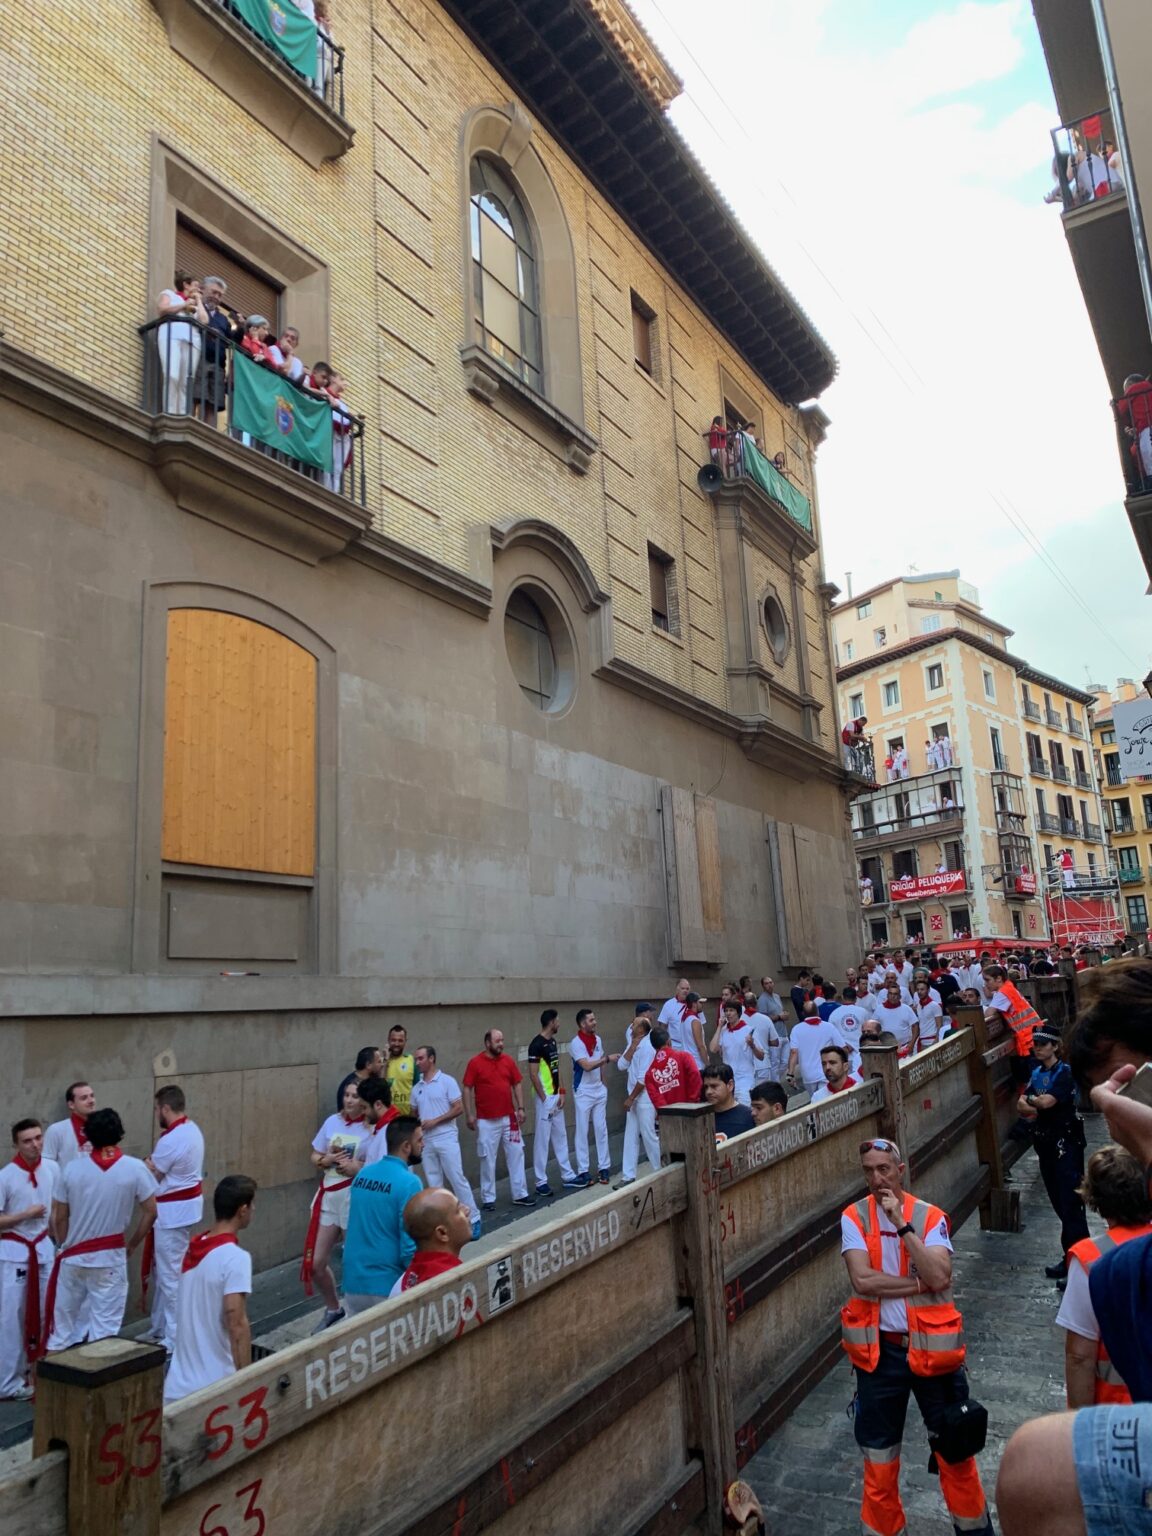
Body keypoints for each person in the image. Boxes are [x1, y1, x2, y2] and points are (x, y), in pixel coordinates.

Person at [842, 1137, 994, 1536]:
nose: (877, 1179)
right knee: (879, 1461)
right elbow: (862, 1279)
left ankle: (974, 1531)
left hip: (933, 1355)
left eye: (884, 1169)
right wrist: (916, 1283)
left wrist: (902, 1225)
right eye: (869, 1171)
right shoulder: (854, 1217)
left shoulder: (927, 1217)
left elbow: (940, 1275)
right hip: (880, 1357)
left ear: (900, 1170)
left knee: (957, 1454)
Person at [43, 1109, 157, 1352]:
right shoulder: (135, 1168)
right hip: (110, 1259)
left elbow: (59, 1216)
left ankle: (50, 1386)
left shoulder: (71, 1169)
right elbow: (151, 1210)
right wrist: (133, 1243)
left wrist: (64, 1245)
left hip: (73, 1258)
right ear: (120, 1133)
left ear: (89, 1137)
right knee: (104, 1334)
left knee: (60, 1331)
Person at [1056, 1145, 1152, 1407]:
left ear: (1095, 1200)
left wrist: (1080, 1427)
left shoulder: (1089, 1259)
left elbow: (1080, 1357)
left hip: (1119, 1417)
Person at [163, 1175, 256, 1403]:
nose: (253, 1210)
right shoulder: (236, 1258)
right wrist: (249, 1382)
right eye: (253, 1205)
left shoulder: (193, 1248)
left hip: (175, 1389)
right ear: (242, 1210)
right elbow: (236, 1323)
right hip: (213, 1391)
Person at [1018, 1028, 1090, 1281]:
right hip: (1046, 1142)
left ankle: (1081, 1262)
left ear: (1055, 1047)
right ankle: (1071, 1256)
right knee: (1058, 1201)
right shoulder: (1037, 1072)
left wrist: (1033, 1101)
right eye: (1035, 1044)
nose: (1037, 1048)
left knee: (1071, 1203)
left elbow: (1046, 1102)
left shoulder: (1064, 1073)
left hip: (1066, 1143)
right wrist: (1035, 1102)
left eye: (1043, 1044)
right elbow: (1021, 1104)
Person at [142, 1085, 205, 1354]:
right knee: (163, 1272)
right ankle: (160, 1327)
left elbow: (152, 1175)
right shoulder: (192, 1129)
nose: (156, 1113)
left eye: (157, 1109)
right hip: (182, 1209)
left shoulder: (170, 1140)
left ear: (165, 1109)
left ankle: (175, 1338)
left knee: (170, 1277)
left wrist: (145, 1164)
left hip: (172, 1214)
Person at [302, 1079, 369, 1332]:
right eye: (347, 1095)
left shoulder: (370, 1128)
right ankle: (333, 1308)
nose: (349, 1100)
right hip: (329, 1196)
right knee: (316, 1262)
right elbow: (314, 1155)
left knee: (353, 1261)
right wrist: (325, 1159)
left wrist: (357, 1167)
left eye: (355, 1096)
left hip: (354, 1196)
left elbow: (376, 1164)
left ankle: (356, 1313)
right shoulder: (332, 1122)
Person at [0, 1118, 59, 1399]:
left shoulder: (53, 1169)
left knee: (47, 1313)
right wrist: (25, 1215)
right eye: (27, 1140)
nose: (35, 1144)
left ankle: (36, 1369)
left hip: (44, 1249)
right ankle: (7, 1381)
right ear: (16, 1144)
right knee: (12, 1317)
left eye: (38, 1138)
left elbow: (58, 1211)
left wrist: (63, 1243)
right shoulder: (6, 1176)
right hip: (14, 1254)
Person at [342, 1116, 424, 1313]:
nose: (424, 1144)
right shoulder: (410, 1182)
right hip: (387, 1285)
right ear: (406, 1146)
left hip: (352, 1283)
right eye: (419, 1140)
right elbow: (409, 1245)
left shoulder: (363, 1174)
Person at [410, 1044, 481, 1240]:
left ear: (431, 1059)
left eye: (421, 1058)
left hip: (446, 1137)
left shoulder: (447, 1081)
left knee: (457, 1178)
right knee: (434, 1184)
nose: (417, 1063)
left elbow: (458, 1108)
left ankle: (474, 1218)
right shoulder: (416, 1089)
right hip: (427, 1141)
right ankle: (441, 1223)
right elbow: (414, 1113)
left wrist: (435, 1121)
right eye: (416, 1059)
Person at [462, 1030, 533, 1210]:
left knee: (516, 1154)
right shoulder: (475, 1063)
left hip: (510, 1118)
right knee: (487, 1159)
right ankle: (488, 1199)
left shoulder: (508, 1061)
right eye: (497, 1041)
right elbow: (467, 1088)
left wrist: (521, 1108)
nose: (501, 1044)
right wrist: (469, 1114)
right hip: (486, 1121)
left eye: (502, 1040)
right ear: (487, 1043)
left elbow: (517, 1083)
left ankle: (520, 1194)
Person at [527, 1010, 579, 1197]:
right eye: (557, 1020)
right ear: (550, 1022)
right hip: (545, 1100)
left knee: (561, 1136)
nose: (559, 1023)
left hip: (556, 1097)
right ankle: (540, 1182)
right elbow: (533, 1074)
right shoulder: (536, 1045)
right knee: (542, 1140)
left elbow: (557, 1069)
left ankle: (568, 1175)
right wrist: (544, 1098)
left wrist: (562, 1092)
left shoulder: (553, 1042)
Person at [390, 1187, 473, 1295]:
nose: (467, 1210)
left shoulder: (404, 1280)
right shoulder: (450, 1283)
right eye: (458, 1210)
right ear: (442, 1233)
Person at [570, 1009, 619, 1186]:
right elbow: (586, 1066)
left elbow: (599, 1064)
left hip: (599, 1091)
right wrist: (607, 1059)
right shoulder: (575, 1044)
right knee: (582, 1130)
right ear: (583, 1024)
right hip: (583, 1091)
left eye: (594, 1019)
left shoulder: (598, 1040)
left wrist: (603, 1083)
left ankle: (604, 1167)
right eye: (591, 1020)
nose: (595, 1022)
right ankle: (583, 1171)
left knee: (601, 1128)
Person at [192, 276, 243, 427]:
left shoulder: (223, 319)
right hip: (199, 358)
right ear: (202, 289)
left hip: (218, 363)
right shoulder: (195, 305)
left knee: (212, 404)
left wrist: (240, 327)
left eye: (220, 295)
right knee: (194, 396)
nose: (216, 297)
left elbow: (233, 340)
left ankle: (208, 436)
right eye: (214, 292)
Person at [154, 271, 207, 414]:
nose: (198, 290)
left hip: (192, 342)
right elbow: (162, 309)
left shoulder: (195, 305)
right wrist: (184, 305)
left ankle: (182, 414)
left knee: (186, 381)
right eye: (195, 286)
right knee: (172, 375)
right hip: (171, 336)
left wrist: (199, 301)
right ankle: (170, 412)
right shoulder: (169, 294)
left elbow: (204, 321)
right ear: (185, 284)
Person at [618, 1005, 660, 1184]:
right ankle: (628, 1176)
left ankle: (661, 1171)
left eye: (634, 1024)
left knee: (649, 1135)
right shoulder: (633, 1040)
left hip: (644, 1097)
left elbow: (643, 1079)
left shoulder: (648, 1047)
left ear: (642, 1029)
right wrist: (632, 1046)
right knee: (630, 1136)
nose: (631, 1025)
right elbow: (621, 1065)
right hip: (634, 1096)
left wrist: (630, 1098)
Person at [982, 963, 1040, 1069]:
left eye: (987, 980)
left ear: (998, 978)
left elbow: (988, 1014)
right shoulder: (1007, 987)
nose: (985, 984)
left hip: (1029, 1036)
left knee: (1036, 1070)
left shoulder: (1003, 993)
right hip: (1033, 1032)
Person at [710, 998, 766, 1105]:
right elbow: (713, 1049)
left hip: (745, 1079)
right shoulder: (723, 1031)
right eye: (726, 1011)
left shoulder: (748, 1030)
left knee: (746, 1108)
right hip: (728, 1080)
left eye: (731, 1010)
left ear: (738, 1013)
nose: (728, 1013)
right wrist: (719, 1027)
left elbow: (761, 1056)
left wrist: (752, 1045)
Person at [787, 1003, 849, 1095]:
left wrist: (790, 1074)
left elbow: (793, 1052)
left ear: (803, 1013)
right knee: (827, 1100)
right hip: (827, 1071)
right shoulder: (829, 1027)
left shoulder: (796, 1029)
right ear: (818, 1011)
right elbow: (843, 1049)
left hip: (808, 1075)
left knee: (815, 1101)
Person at [644, 1027, 703, 1110]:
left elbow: (657, 1100)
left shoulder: (649, 1074)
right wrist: (692, 1102)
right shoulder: (684, 1057)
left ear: (653, 1046)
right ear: (669, 1041)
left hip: (668, 1118)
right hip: (691, 1111)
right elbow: (695, 1075)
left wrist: (669, 1113)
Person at [43, 1081, 96, 1169]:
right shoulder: (56, 1130)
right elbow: (46, 1166)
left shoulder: (102, 1128)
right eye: (84, 1098)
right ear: (71, 1104)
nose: (91, 1101)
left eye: (92, 1096)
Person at [701, 1065, 755, 1139]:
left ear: (730, 1085)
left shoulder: (749, 1117)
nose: (708, 1092)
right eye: (706, 1087)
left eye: (714, 1086)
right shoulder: (701, 1118)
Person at [1119, 373, 1152, 487]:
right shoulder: (1148, 389)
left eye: (1126, 389)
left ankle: (1149, 481)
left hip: (1146, 428)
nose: (1126, 392)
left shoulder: (1135, 389)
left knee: (1147, 452)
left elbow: (1121, 408)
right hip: (1145, 426)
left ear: (1131, 384)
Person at [354, 1077, 397, 1166]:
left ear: (378, 1105)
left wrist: (356, 1170)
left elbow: (384, 1171)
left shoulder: (390, 1132)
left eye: (364, 1107)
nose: (362, 1112)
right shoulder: (389, 1126)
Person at [828, 986, 869, 1071]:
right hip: (861, 1055)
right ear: (856, 998)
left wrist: (844, 1045)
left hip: (843, 1057)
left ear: (842, 997)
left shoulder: (834, 1014)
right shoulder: (863, 1012)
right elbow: (870, 1032)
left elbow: (830, 1037)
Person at [875, 978, 919, 1054]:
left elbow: (915, 1026)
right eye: (890, 994)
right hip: (886, 1049)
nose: (893, 996)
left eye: (895, 994)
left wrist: (911, 1044)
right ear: (887, 995)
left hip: (904, 1047)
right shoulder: (879, 1009)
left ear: (899, 996)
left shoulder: (906, 1008)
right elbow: (874, 1027)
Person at [335, 1045, 384, 1111]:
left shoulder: (370, 1081)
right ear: (368, 1065)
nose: (382, 1065)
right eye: (379, 1062)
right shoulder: (349, 1086)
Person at [385, 1025, 418, 1115]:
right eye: (393, 1040)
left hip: (407, 1118)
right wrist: (385, 1061)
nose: (396, 1044)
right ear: (388, 1040)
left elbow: (418, 1088)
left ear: (405, 1042)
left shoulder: (411, 1060)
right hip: (386, 1118)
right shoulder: (381, 1062)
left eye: (400, 1040)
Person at [912, 978, 945, 1052]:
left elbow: (939, 1025)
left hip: (932, 1041)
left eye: (922, 989)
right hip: (922, 1042)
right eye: (918, 989)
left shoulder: (935, 1006)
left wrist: (936, 1040)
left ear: (928, 990)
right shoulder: (918, 1006)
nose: (919, 992)